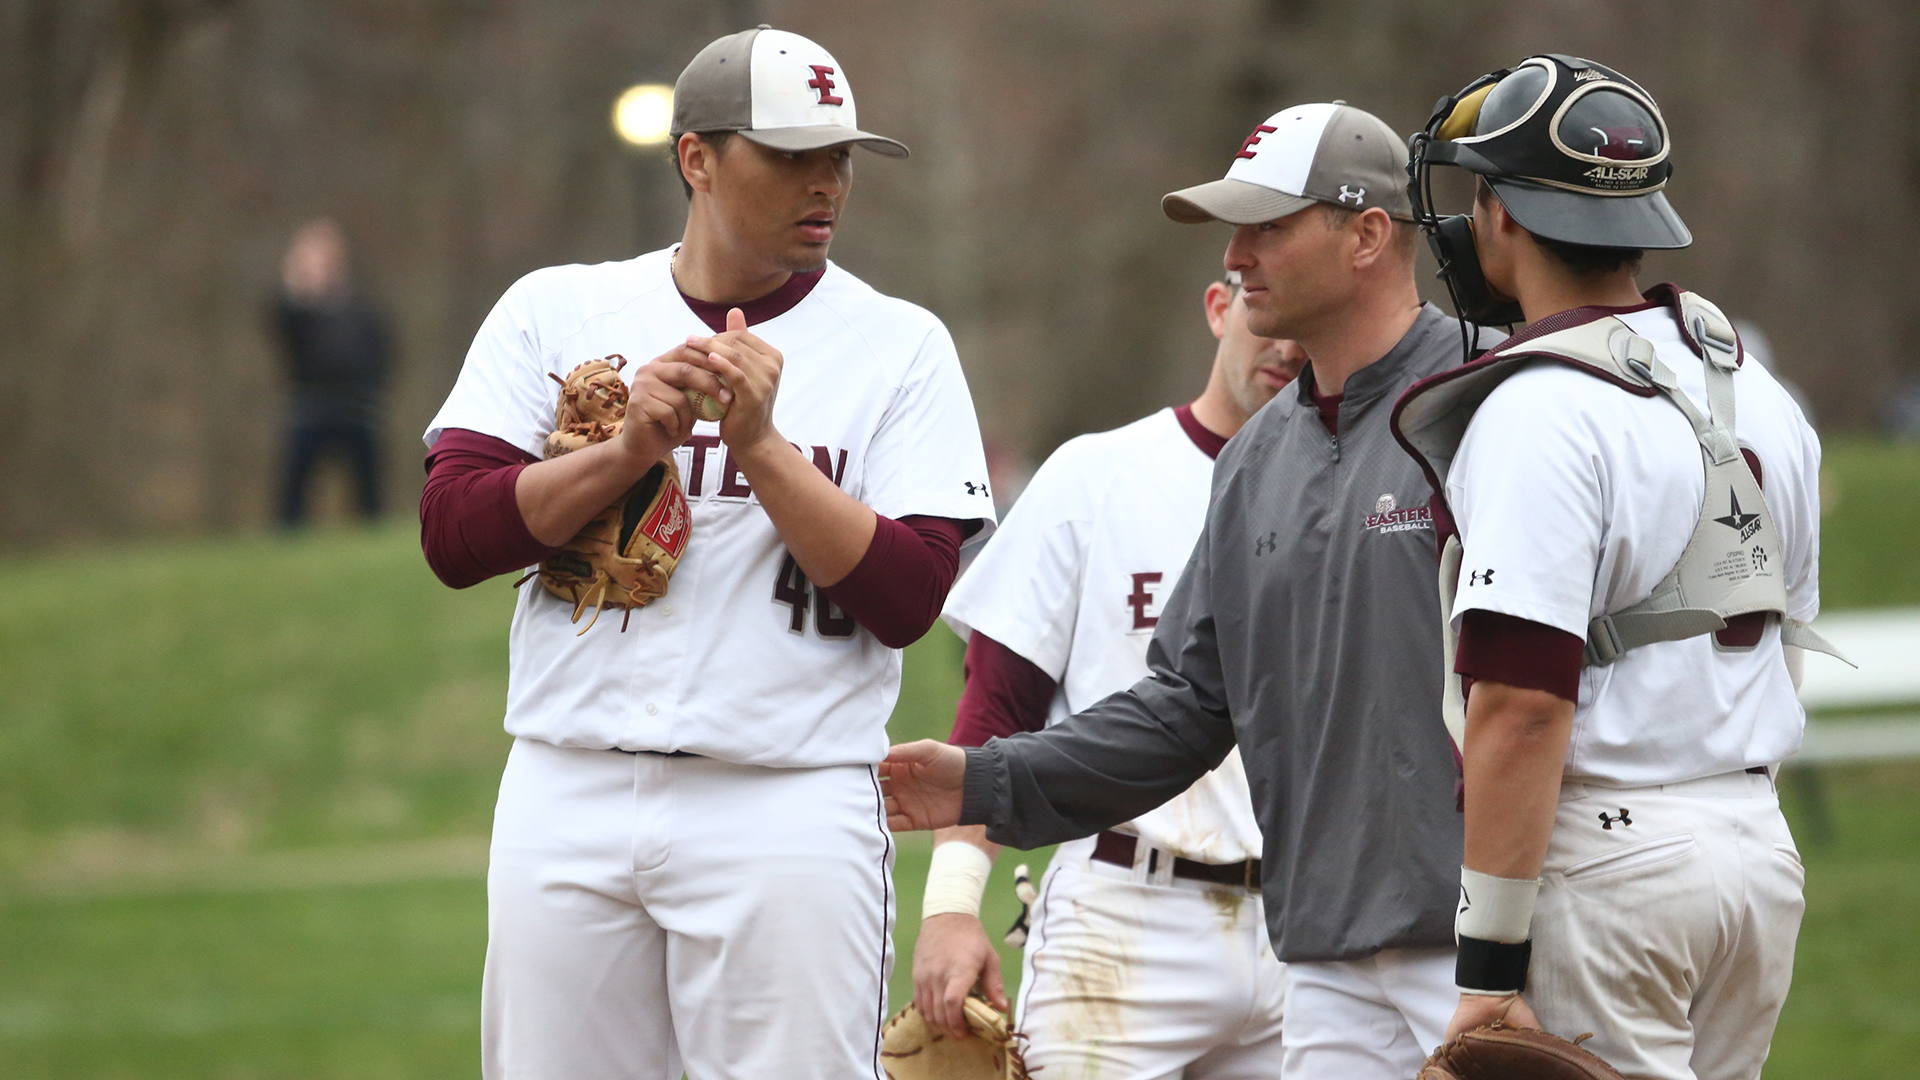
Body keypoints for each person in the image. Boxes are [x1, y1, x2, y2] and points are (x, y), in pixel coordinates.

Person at [418, 25, 995, 1080]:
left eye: (840, 156)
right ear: (697, 158)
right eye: (790, 154)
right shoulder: (560, 310)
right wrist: (627, 452)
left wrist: (762, 450)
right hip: (569, 783)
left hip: (786, 800)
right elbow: (453, 535)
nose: (826, 181)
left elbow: (911, 597)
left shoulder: (900, 344)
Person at [883, 101, 1500, 1080]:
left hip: (1473, 934)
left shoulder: (1489, 402)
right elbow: (1186, 706)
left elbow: (1565, 689)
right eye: (1233, 232)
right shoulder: (1258, 456)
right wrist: (984, 790)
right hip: (1300, 943)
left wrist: (1520, 930)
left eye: (1269, 226)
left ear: (1369, 235)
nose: (1240, 254)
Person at [1393, 54, 1830, 1078]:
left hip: (1612, 860)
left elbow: (1521, 704)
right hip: (1755, 851)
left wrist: (1488, 963)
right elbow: (1788, 638)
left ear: (1500, 214)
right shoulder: (1755, 386)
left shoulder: (1538, 405)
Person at [915, 270, 1307, 1077]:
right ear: (1218, 306)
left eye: (1310, 323)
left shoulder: (1354, 491)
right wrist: (953, 904)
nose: (1289, 347)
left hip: (1306, 924)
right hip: (1127, 913)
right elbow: (998, 704)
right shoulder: (1098, 475)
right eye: (1268, 316)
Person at [272, 218, 392, 525]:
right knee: (294, 493)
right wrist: (300, 287)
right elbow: (282, 332)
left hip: (357, 409)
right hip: (311, 409)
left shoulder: (359, 309)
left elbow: (383, 350)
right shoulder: (297, 310)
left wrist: (373, 389)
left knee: (368, 494)